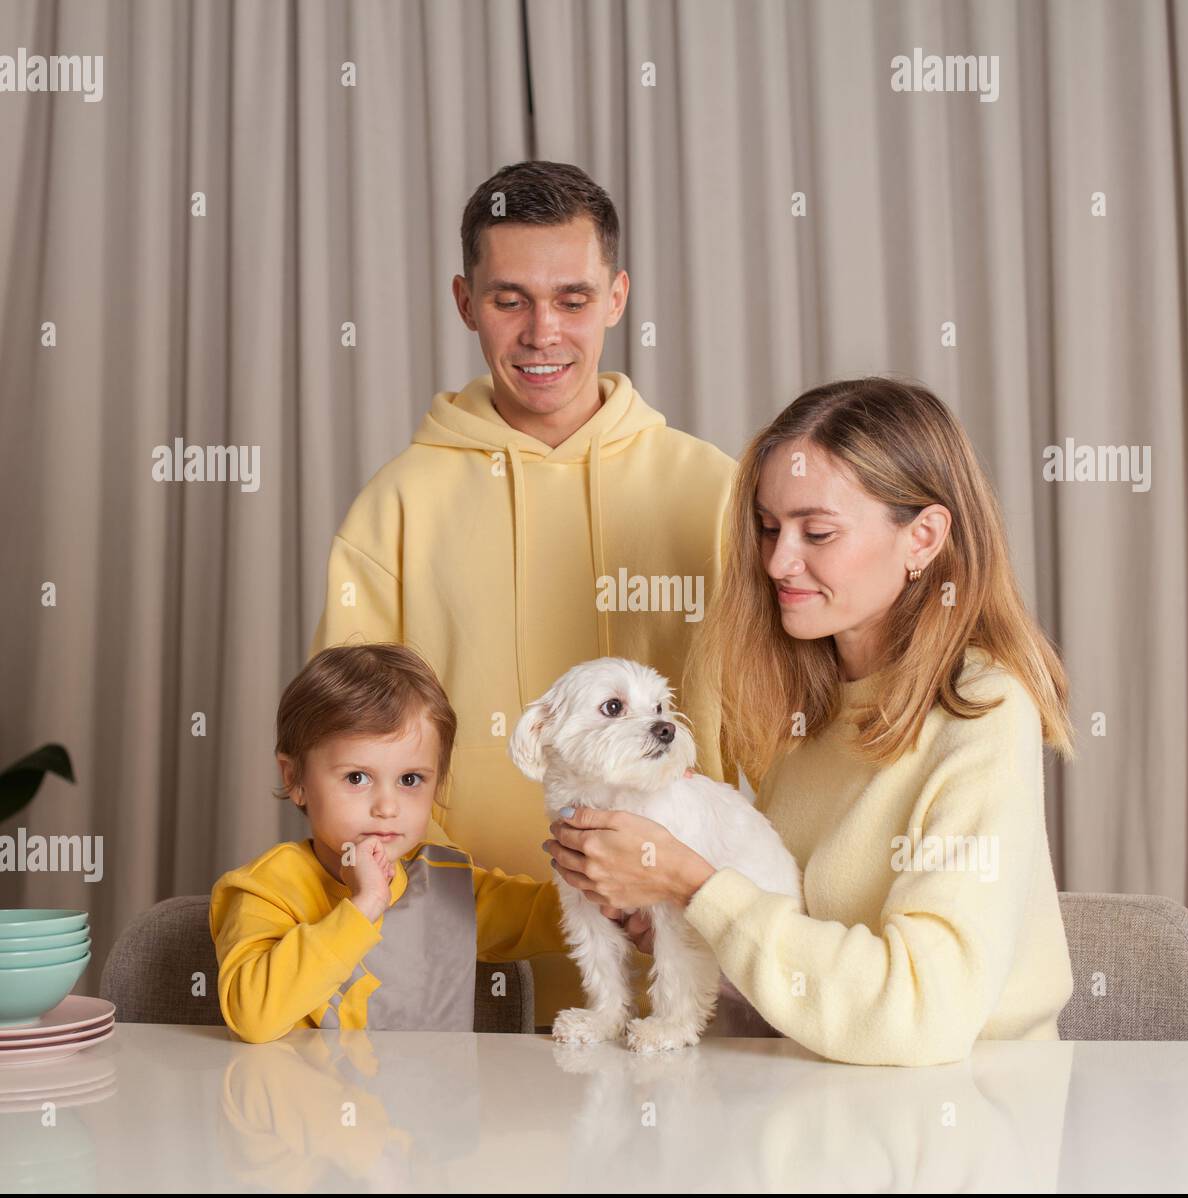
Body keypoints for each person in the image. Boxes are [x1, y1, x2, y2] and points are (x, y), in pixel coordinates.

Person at [308, 161, 737, 1026]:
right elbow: (341, 756)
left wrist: (705, 897)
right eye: (511, 300)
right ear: (466, 302)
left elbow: (774, 727)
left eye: (573, 299)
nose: (544, 332)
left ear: (617, 297)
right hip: (452, 963)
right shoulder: (393, 506)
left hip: (679, 953)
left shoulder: (718, 490)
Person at [545, 376, 1076, 1065]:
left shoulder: (984, 713)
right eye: (768, 527)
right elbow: (793, 963)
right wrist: (672, 915)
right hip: (811, 1098)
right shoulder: (805, 710)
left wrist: (693, 884)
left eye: (816, 532)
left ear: (923, 538)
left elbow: (920, 1014)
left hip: (960, 1120)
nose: (776, 561)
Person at [210, 644, 562, 1042]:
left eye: (410, 780)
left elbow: (552, 917)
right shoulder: (265, 889)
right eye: (357, 777)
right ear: (295, 779)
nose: (387, 807)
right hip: (305, 1102)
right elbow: (253, 1017)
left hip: (435, 1104)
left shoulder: (450, 882)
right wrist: (364, 907)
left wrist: (621, 907)